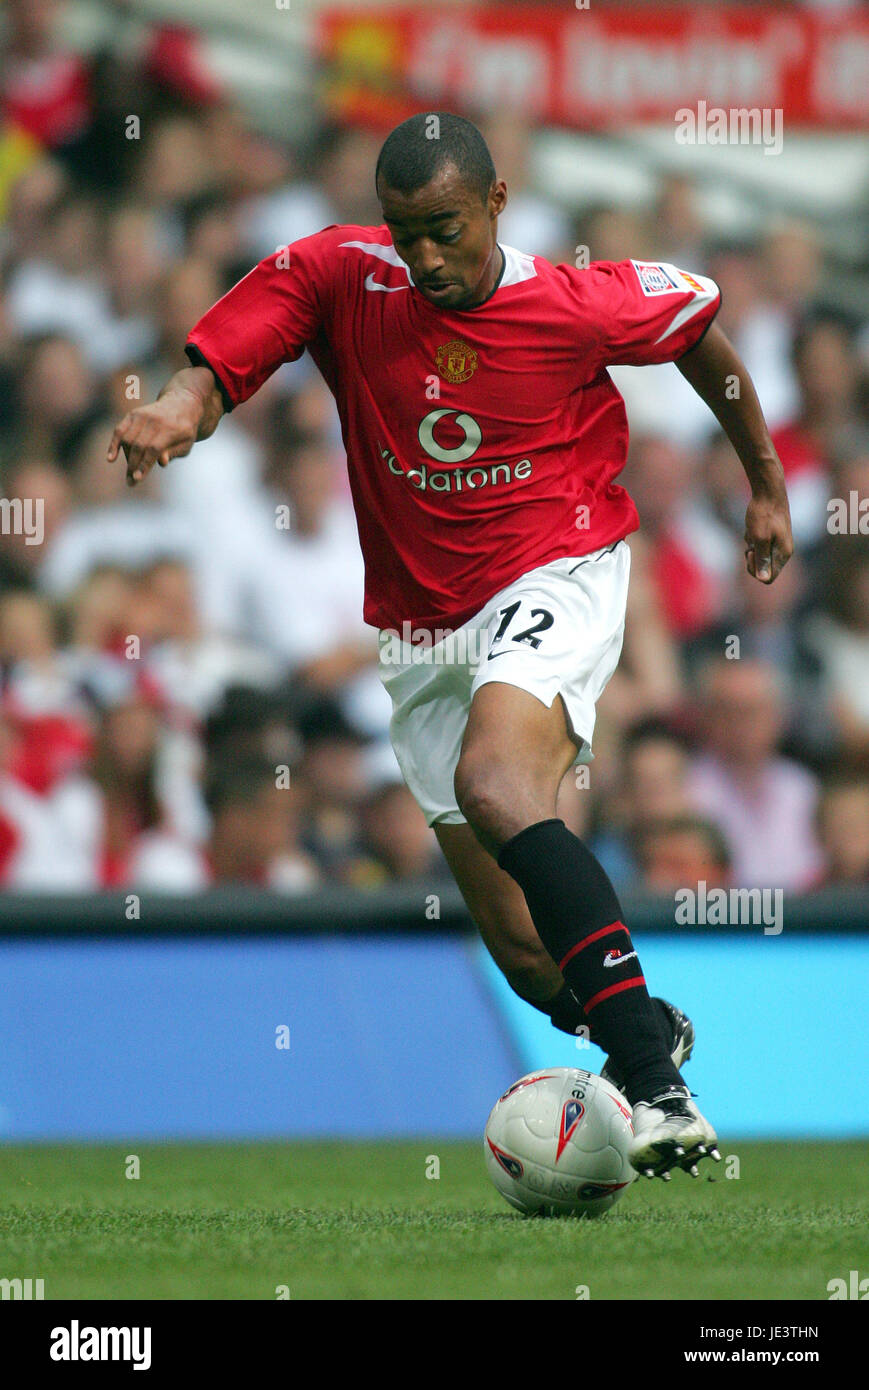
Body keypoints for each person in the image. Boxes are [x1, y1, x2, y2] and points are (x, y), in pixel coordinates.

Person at [107, 112, 794, 1180]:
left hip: (557, 567)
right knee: (524, 957)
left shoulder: (572, 300)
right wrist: (177, 410)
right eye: (404, 232)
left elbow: (698, 328)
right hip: (420, 625)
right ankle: (639, 1019)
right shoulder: (341, 273)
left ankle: (658, 1089)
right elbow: (224, 361)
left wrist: (761, 482)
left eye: (444, 229)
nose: (423, 255)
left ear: (495, 204)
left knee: (495, 778)